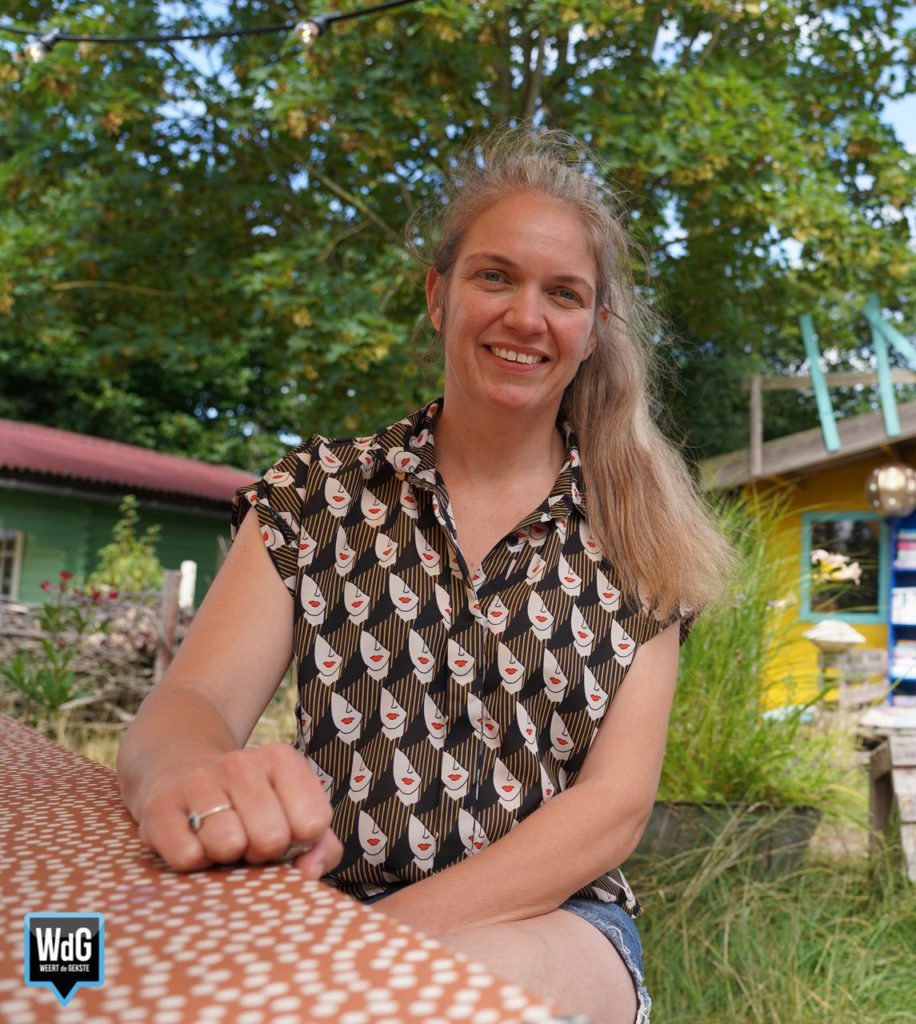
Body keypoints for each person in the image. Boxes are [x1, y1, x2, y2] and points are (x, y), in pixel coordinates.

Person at [115, 126, 732, 1024]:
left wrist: (366, 948)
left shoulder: (646, 537)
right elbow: (190, 706)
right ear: (438, 294)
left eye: (563, 293)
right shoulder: (316, 497)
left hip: (554, 925)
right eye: (495, 276)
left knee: (428, 1002)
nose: (527, 315)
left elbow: (613, 809)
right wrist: (195, 778)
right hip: (320, 906)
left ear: (594, 332)